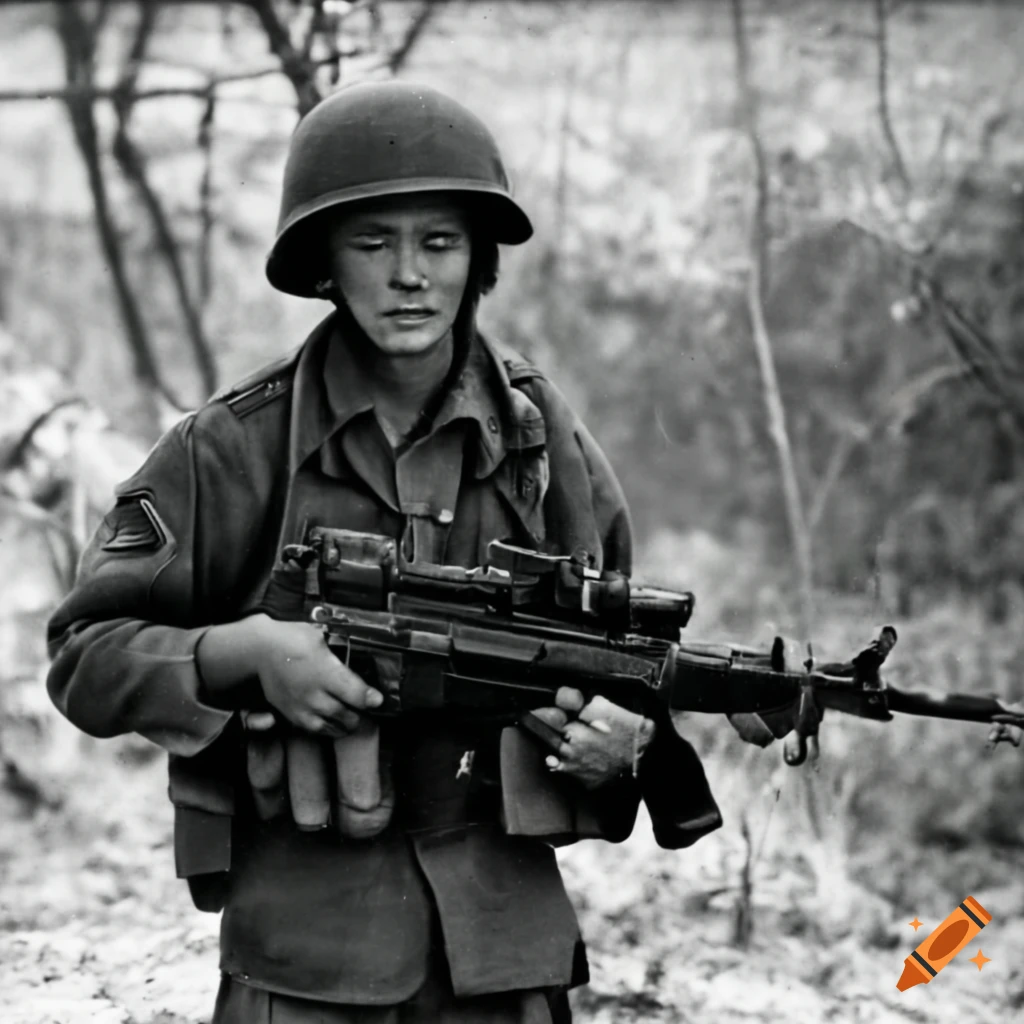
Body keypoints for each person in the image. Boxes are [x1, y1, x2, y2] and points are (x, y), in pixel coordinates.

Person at [46, 80, 721, 1023]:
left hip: (505, 953)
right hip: (308, 955)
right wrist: (241, 654)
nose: (411, 275)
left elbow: (614, 650)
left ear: (477, 259)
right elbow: (85, 655)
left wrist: (629, 741)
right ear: (324, 261)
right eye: (373, 243)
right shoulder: (232, 446)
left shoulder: (540, 438)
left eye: (439, 243)